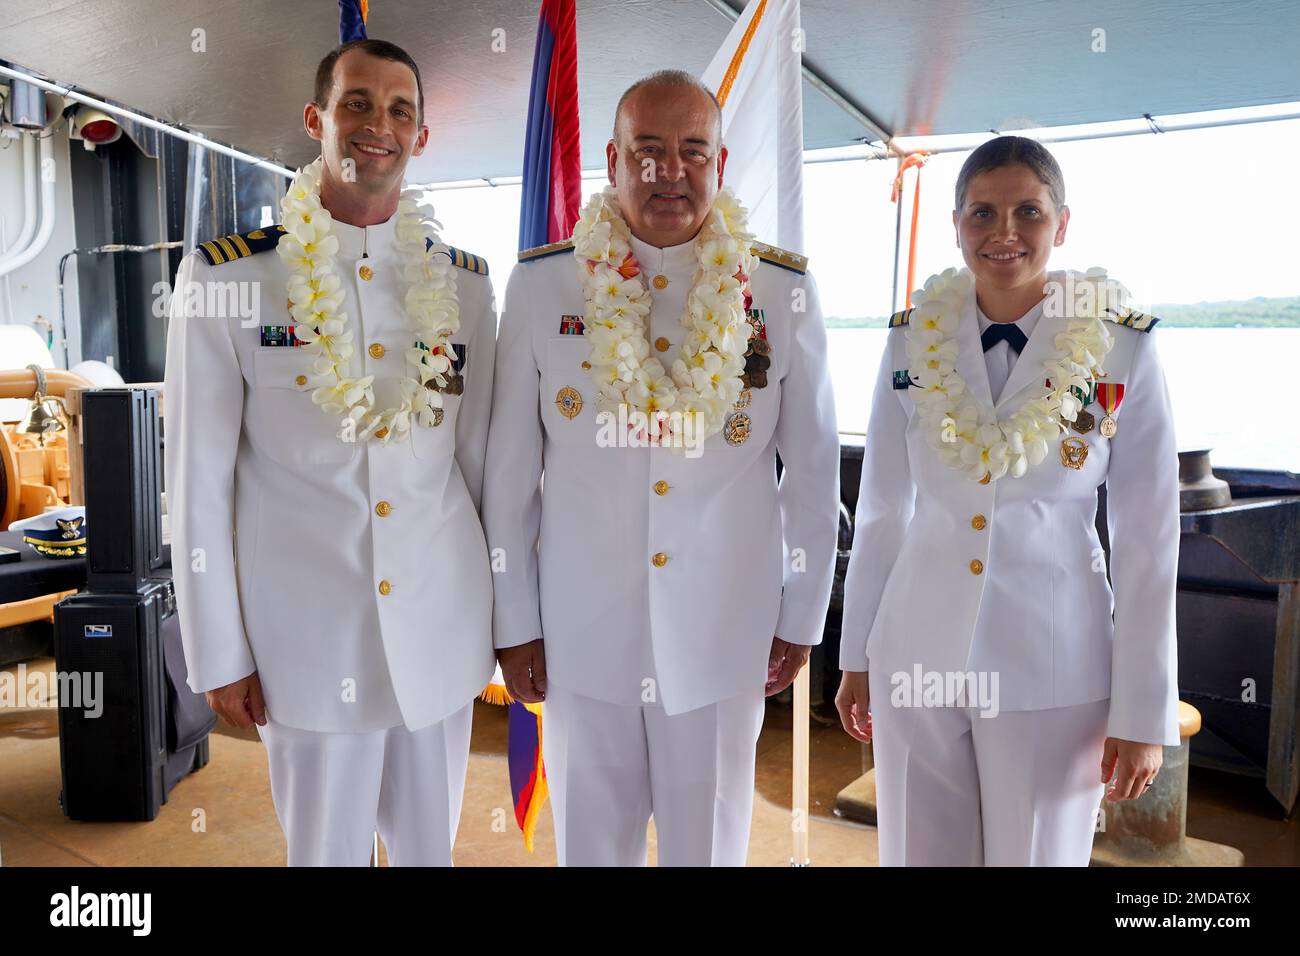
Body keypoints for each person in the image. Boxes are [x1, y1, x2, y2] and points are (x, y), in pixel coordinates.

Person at [483, 70, 840, 866]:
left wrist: (801, 615)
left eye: (691, 151)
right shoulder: (544, 284)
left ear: (719, 163)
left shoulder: (781, 292)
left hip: (723, 634)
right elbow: (508, 477)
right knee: (590, 851)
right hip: (582, 636)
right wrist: (515, 623)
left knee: (707, 852)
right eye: (647, 151)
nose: (667, 172)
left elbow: (815, 476)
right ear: (612, 160)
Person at [163, 38, 496, 866]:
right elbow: (197, 486)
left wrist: (504, 622)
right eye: (356, 103)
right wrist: (218, 650)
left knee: (430, 854)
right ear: (316, 119)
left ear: (421, 135)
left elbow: (486, 468)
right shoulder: (227, 277)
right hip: (304, 643)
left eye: (399, 109)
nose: (377, 125)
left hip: (439, 631)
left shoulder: (468, 285)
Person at [836, 136, 1180, 866]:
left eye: (1028, 211)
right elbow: (881, 509)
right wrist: (858, 652)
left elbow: (1148, 538)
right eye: (982, 213)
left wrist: (1143, 708)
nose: (1004, 232)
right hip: (915, 655)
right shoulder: (911, 343)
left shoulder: (1121, 349)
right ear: (956, 224)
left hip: (1050, 663)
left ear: (1062, 224)